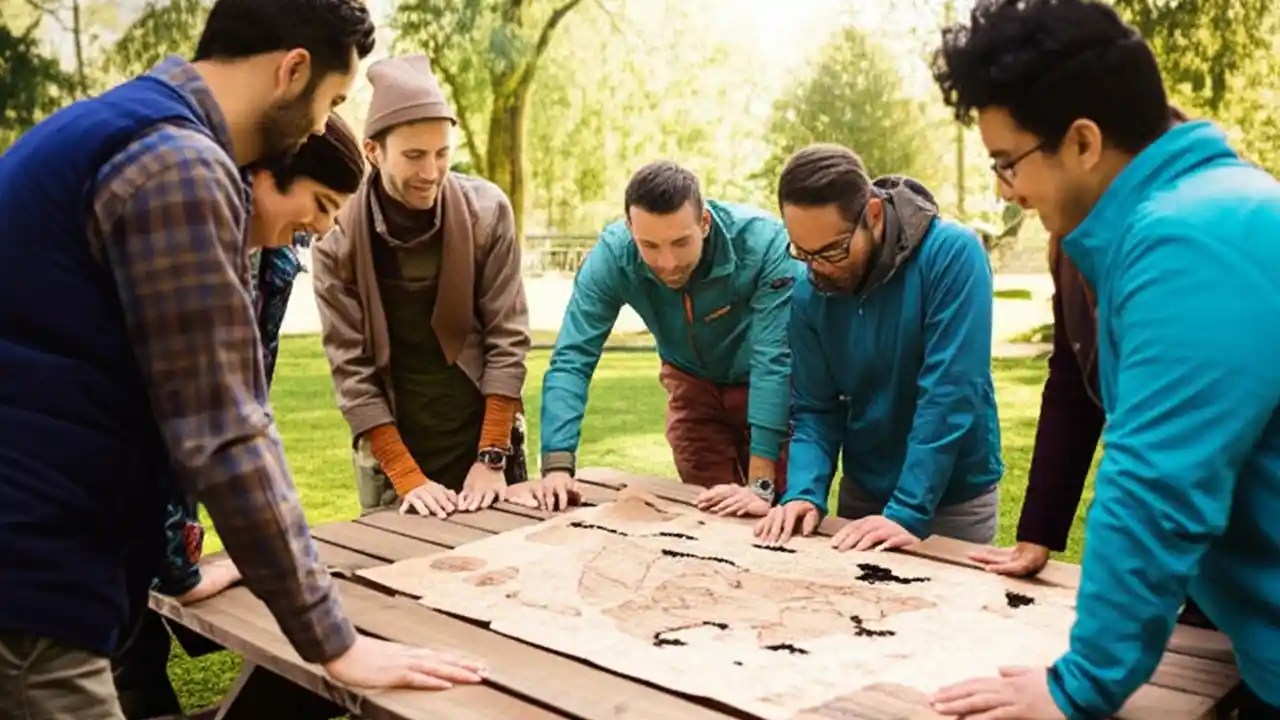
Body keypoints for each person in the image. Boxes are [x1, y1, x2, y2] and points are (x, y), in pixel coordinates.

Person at [0, 2, 485, 716]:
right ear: (293, 70)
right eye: (331, 102)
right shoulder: (179, 164)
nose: (319, 130)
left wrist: (174, 566)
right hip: (30, 570)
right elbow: (222, 426)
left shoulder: (117, 128)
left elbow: (153, 400)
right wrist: (334, 641)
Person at [929, 0, 1280, 717]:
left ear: (1083, 142)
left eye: (1006, 161)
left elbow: (1157, 484)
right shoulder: (1195, 211)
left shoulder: (1192, 237)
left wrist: (1078, 686)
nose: (1002, 188)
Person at [110, 113, 366, 720]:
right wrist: (179, 566)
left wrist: (181, 561)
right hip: (72, 521)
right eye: (321, 204)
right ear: (270, 172)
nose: (324, 228)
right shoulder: (183, 238)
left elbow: (232, 415)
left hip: (141, 513)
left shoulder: (269, 256)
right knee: (109, 661)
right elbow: (181, 423)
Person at [754, 143, 1004, 551]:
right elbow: (816, 408)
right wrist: (803, 491)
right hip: (864, 492)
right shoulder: (808, 291)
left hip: (953, 498)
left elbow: (950, 391)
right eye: (804, 253)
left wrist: (907, 510)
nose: (818, 269)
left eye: (832, 251)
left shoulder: (952, 255)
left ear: (872, 215)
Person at [313, 54, 532, 520]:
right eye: (414, 156)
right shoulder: (337, 236)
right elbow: (351, 371)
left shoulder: (487, 213)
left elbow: (507, 339)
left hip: (482, 435)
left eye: (441, 154)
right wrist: (406, 476)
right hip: (393, 445)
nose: (431, 172)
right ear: (373, 152)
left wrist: (492, 457)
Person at [529, 160, 797, 516]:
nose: (667, 262)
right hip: (691, 385)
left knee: (779, 510)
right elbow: (572, 358)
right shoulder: (612, 257)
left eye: (680, 242)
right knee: (710, 511)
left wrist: (761, 485)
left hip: (762, 381)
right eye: (649, 245)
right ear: (630, 229)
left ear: (704, 223)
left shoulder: (765, 243)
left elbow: (773, 359)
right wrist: (557, 467)